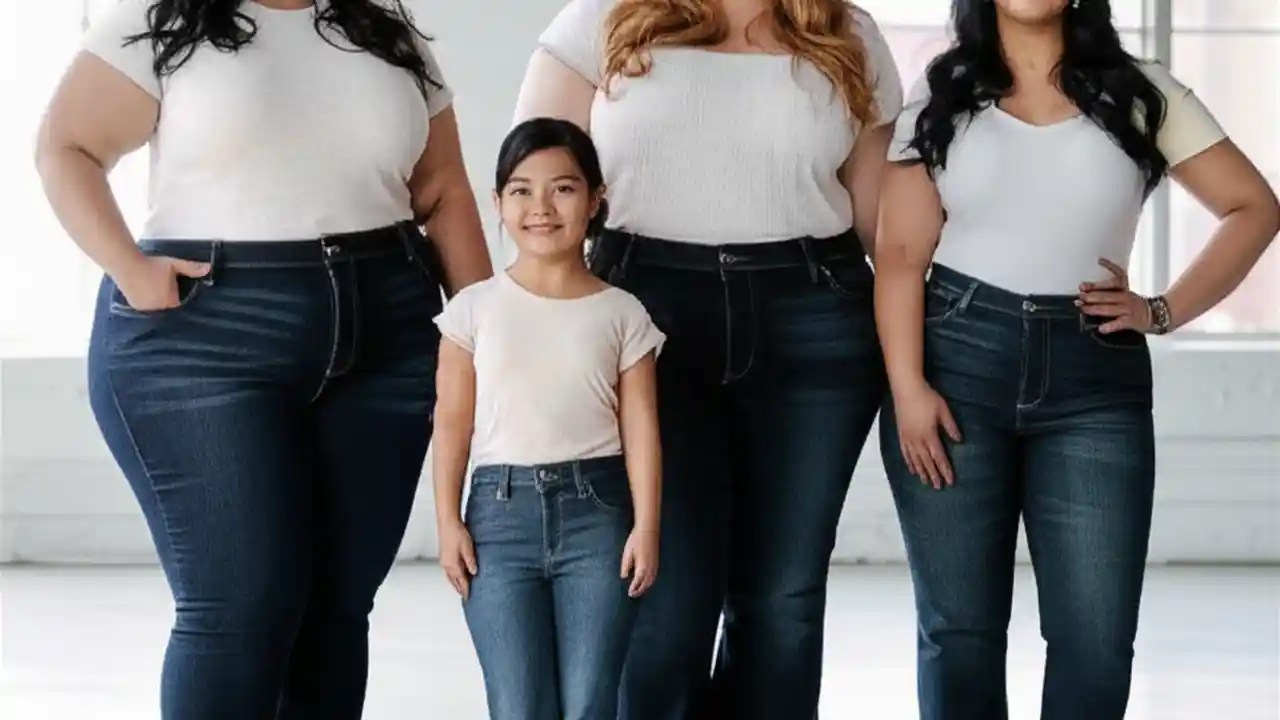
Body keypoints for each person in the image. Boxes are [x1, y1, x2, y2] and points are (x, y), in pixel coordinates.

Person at [33, 1, 491, 717]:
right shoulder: (163, 20)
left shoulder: (382, 29)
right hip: (206, 337)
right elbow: (65, 145)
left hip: (388, 331)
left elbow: (443, 190)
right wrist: (129, 268)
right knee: (240, 607)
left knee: (338, 606)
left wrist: (485, 338)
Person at [875, 1, 1280, 718]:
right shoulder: (939, 98)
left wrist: (1163, 310)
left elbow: (1254, 206)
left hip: (1096, 384)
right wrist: (908, 389)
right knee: (958, 631)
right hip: (955, 369)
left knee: (1095, 639)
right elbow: (902, 258)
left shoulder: (1142, 94)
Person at [514, 0, 904, 717]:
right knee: (664, 600)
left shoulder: (844, 31)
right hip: (646, 320)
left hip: (814, 319)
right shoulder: (600, 18)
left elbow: (886, 225)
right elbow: (536, 195)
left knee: (781, 604)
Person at [432, 117, 664, 720]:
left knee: (590, 703)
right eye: (521, 190)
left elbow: (641, 428)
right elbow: (452, 424)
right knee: (518, 707)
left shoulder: (623, 313)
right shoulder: (472, 311)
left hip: (600, 517)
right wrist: (448, 523)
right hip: (496, 523)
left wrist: (647, 527)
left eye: (562, 188)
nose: (541, 206)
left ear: (595, 200)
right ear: (498, 203)